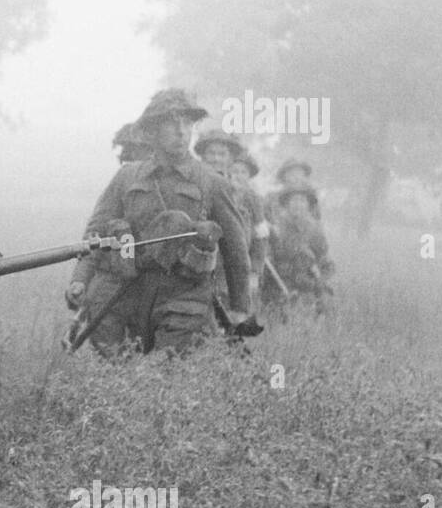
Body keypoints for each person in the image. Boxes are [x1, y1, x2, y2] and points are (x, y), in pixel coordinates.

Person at [66, 89, 251, 352]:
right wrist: (80, 280)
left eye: (187, 123)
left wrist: (240, 309)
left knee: (165, 371)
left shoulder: (212, 182)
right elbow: (95, 236)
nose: (181, 131)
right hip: (128, 292)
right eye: (171, 123)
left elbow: (236, 249)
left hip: (185, 298)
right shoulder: (127, 178)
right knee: (119, 370)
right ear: (153, 130)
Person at [64, 121, 147, 355]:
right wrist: (80, 280)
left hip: (153, 288)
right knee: (110, 356)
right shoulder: (122, 181)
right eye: (130, 152)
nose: (134, 158)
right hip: (111, 285)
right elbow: (95, 236)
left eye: (142, 150)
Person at [268, 179, 335, 313]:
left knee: (322, 307)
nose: (297, 205)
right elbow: (267, 259)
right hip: (279, 286)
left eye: (302, 201)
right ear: (286, 203)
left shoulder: (315, 230)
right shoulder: (276, 227)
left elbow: (326, 262)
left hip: (307, 287)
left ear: (308, 205)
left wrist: (320, 280)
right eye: (294, 200)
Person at [227, 145, 268, 312]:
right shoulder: (221, 192)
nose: (238, 176)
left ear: (249, 176)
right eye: (235, 171)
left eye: (243, 172)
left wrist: (255, 272)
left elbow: (260, 237)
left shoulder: (254, 200)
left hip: (244, 259)